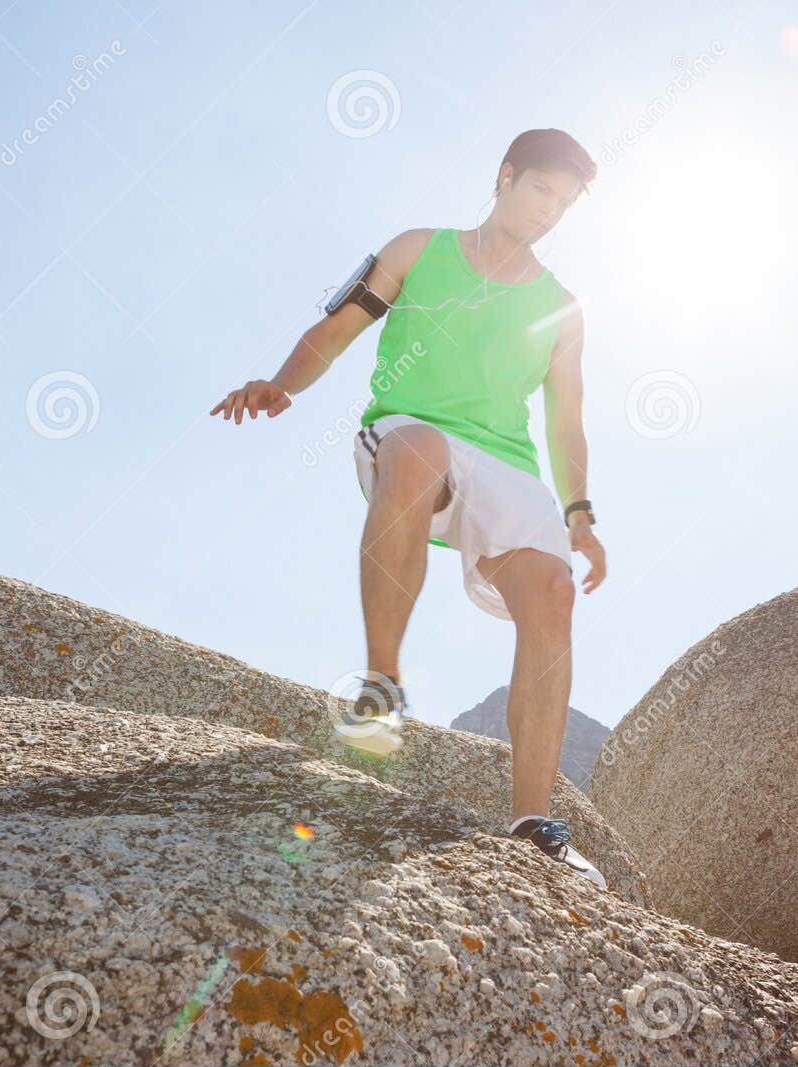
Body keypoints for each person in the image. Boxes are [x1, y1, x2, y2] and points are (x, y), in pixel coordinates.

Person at [210, 128, 607, 889]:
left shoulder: (561, 307)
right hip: (408, 435)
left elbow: (566, 421)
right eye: (541, 191)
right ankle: (383, 687)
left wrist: (580, 515)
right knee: (420, 450)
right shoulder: (417, 248)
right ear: (505, 176)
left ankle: (534, 824)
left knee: (552, 594)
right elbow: (337, 327)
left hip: (506, 462)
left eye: (565, 202)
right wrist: (284, 384)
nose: (550, 211)